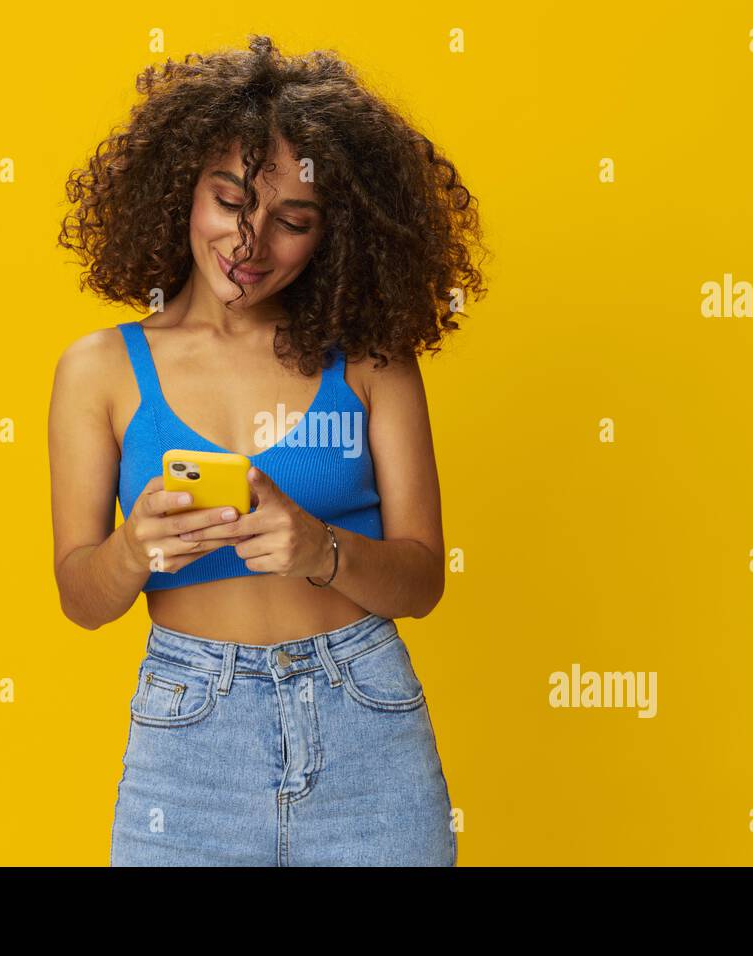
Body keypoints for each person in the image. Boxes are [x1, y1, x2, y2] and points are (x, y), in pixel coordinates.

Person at [49, 34, 487, 865]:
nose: (249, 245)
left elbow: (423, 579)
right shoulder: (98, 371)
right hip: (189, 744)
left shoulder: (373, 362)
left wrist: (318, 549)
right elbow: (81, 596)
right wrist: (134, 548)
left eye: (292, 222)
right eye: (229, 201)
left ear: (334, 236)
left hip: (366, 720)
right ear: (182, 191)